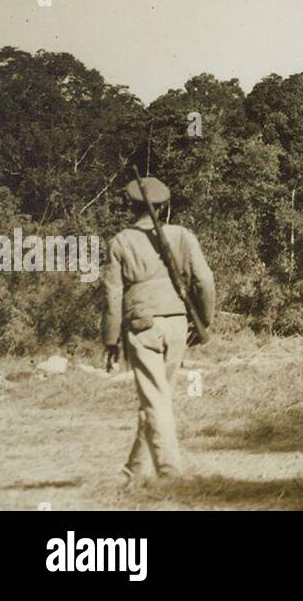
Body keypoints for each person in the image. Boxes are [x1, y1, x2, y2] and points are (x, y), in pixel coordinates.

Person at [102, 176, 215, 483]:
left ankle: (170, 475)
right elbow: (204, 280)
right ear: (164, 207)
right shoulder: (183, 235)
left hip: (141, 325)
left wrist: (110, 340)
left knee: (155, 398)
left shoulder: (121, 241)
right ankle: (133, 472)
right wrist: (204, 319)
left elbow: (113, 295)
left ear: (131, 207)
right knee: (157, 397)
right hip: (178, 323)